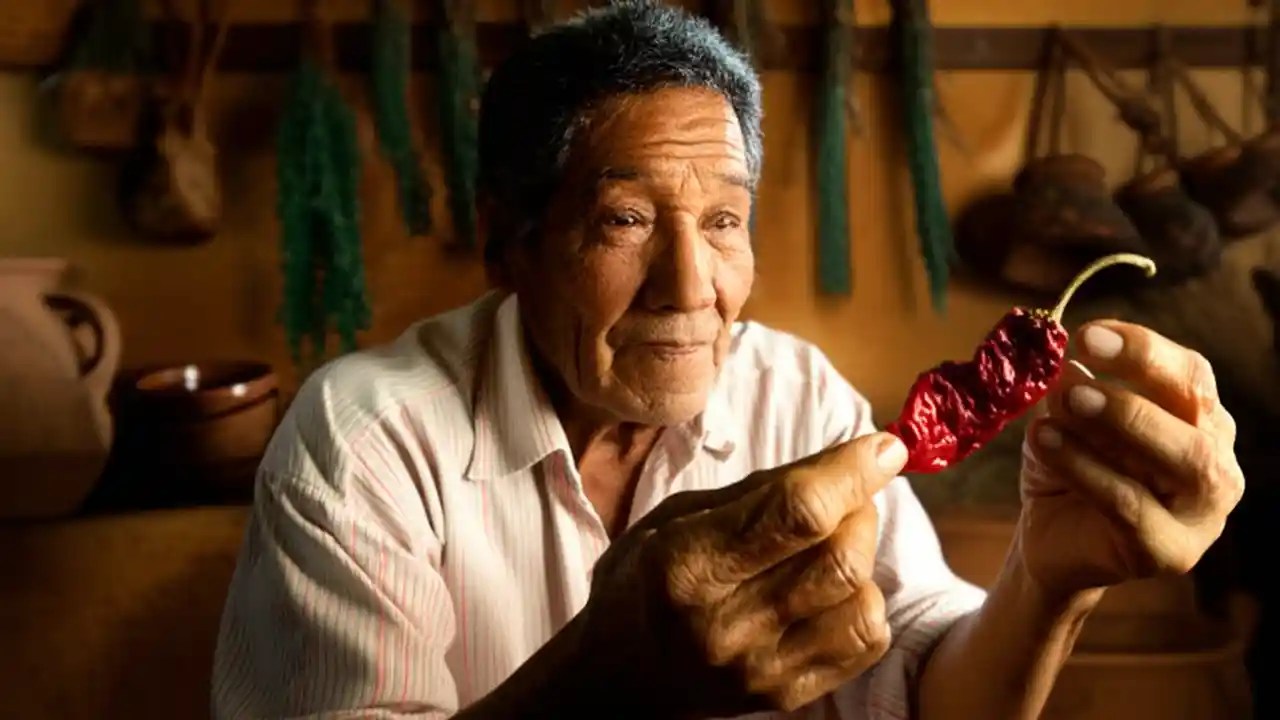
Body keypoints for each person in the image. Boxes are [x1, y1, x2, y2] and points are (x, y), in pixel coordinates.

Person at [211, 3, 1245, 718]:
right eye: (622, 219)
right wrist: (600, 684)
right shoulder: (365, 438)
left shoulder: (793, 396)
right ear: (506, 243)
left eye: (722, 221)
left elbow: (934, 692)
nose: (688, 285)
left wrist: (1050, 579)